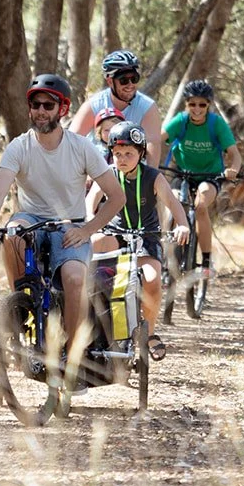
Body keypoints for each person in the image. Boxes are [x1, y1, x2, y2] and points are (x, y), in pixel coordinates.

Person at [0, 74, 126, 353]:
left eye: (48, 105)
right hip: (32, 218)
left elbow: (117, 196)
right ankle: (20, 304)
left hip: (71, 226)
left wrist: (87, 230)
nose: (41, 111)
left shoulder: (81, 147)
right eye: (36, 105)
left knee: (74, 279)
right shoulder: (20, 146)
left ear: (62, 109)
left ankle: (71, 355)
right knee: (13, 234)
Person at [89, 122, 192, 360]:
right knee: (92, 252)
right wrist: (88, 222)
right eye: (117, 154)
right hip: (115, 234)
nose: (122, 159)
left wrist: (183, 224)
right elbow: (91, 200)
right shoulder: (107, 175)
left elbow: (174, 204)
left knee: (153, 279)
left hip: (145, 237)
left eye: (129, 154)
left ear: (141, 154)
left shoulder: (153, 177)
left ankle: (150, 332)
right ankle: (94, 323)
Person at [162, 78, 242, 282]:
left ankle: (206, 261)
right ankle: (165, 257)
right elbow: (158, 138)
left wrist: (233, 169)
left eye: (202, 105)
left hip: (210, 176)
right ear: (186, 105)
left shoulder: (216, 124)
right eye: (192, 104)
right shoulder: (180, 121)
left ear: (209, 105)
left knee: (200, 206)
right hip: (183, 173)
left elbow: (234, 154)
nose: (197, 109)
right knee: (169, 203)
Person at [72, 50, 165, 167]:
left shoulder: (148, 107)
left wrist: (150, 181)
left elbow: (152, 144)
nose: (130, 85)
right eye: (124, 80)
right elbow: (71, 141)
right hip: (95, 171)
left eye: (134, 78)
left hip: (131, 173)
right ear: (110, 81)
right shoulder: (94, 105)